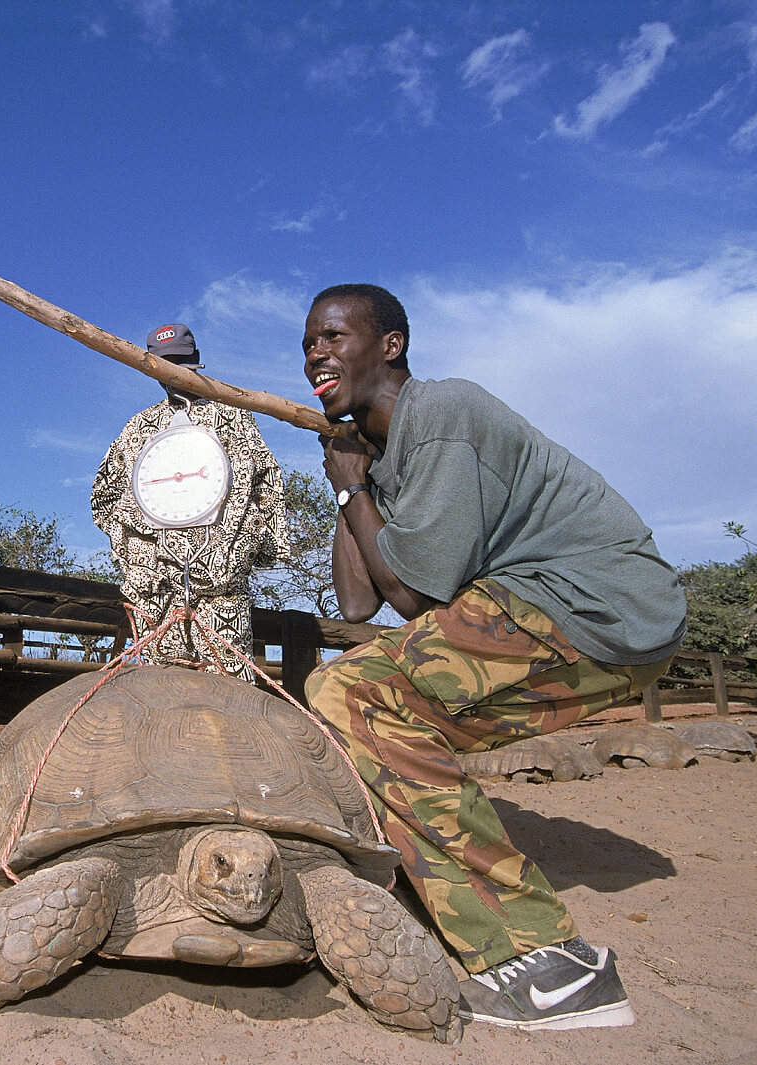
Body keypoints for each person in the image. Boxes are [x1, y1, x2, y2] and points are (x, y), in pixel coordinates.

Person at [299, 283, 686, 1031]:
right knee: (364, 703)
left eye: (333, 336)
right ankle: (436, 885)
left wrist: (353, 491)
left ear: (391, 345)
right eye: (308, 343)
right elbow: (357, 601)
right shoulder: (384, 458)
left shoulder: (444, 413)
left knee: (354, 692)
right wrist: (352, 484)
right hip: (592, 626)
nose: (316, 352)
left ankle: (547, 961)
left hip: (591, 599)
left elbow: (412, 595)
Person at [91, 323, 288, 680]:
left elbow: (267, 487)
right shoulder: (138, 428)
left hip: (221, 593)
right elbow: (104, 497)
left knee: (229, 691)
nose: (173, 372)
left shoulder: (234, 418)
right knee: (159, 689)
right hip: (155, 594)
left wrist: (243, 548)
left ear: (196, 359)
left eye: (180, 362)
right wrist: (138, 555)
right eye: (164, 364)